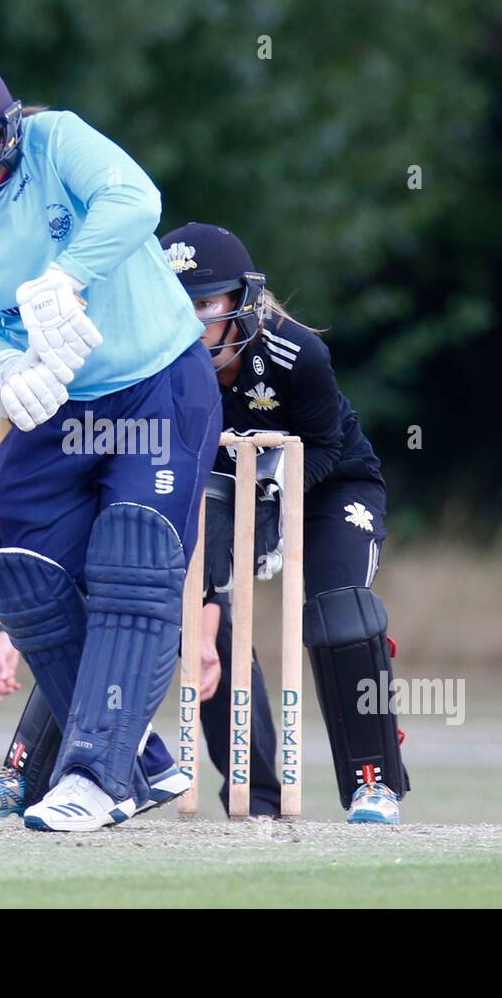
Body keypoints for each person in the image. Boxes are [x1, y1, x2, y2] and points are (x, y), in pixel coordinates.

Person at [0, 54, 221, 831]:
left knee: (131, 559)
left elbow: (135, 198)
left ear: (4, 132)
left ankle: (92, 775)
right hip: (55, 406)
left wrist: (64, 278)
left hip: (156, 379)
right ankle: (137, 758)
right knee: (22, 569)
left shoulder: (56, 142)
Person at [159, 222, 410, 824]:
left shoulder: (298, 353)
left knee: (339, 611)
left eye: (204, 305)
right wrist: (206, 593)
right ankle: (253, 794)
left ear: (240, 302)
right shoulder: (152, 364)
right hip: (215, 486)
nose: (191, 323)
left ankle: (373, 780)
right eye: (177, 305)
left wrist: (272, 499)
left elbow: (324, 445)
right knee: (173, 610)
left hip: (329, 483)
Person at [0, 457, 283, 819]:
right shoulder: (7, 411)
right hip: (40, 553)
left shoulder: (138, 397)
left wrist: (203, 627)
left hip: (137, 544)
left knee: (221, 644)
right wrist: (1, 629)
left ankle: (257, 799)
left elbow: (198, 526)